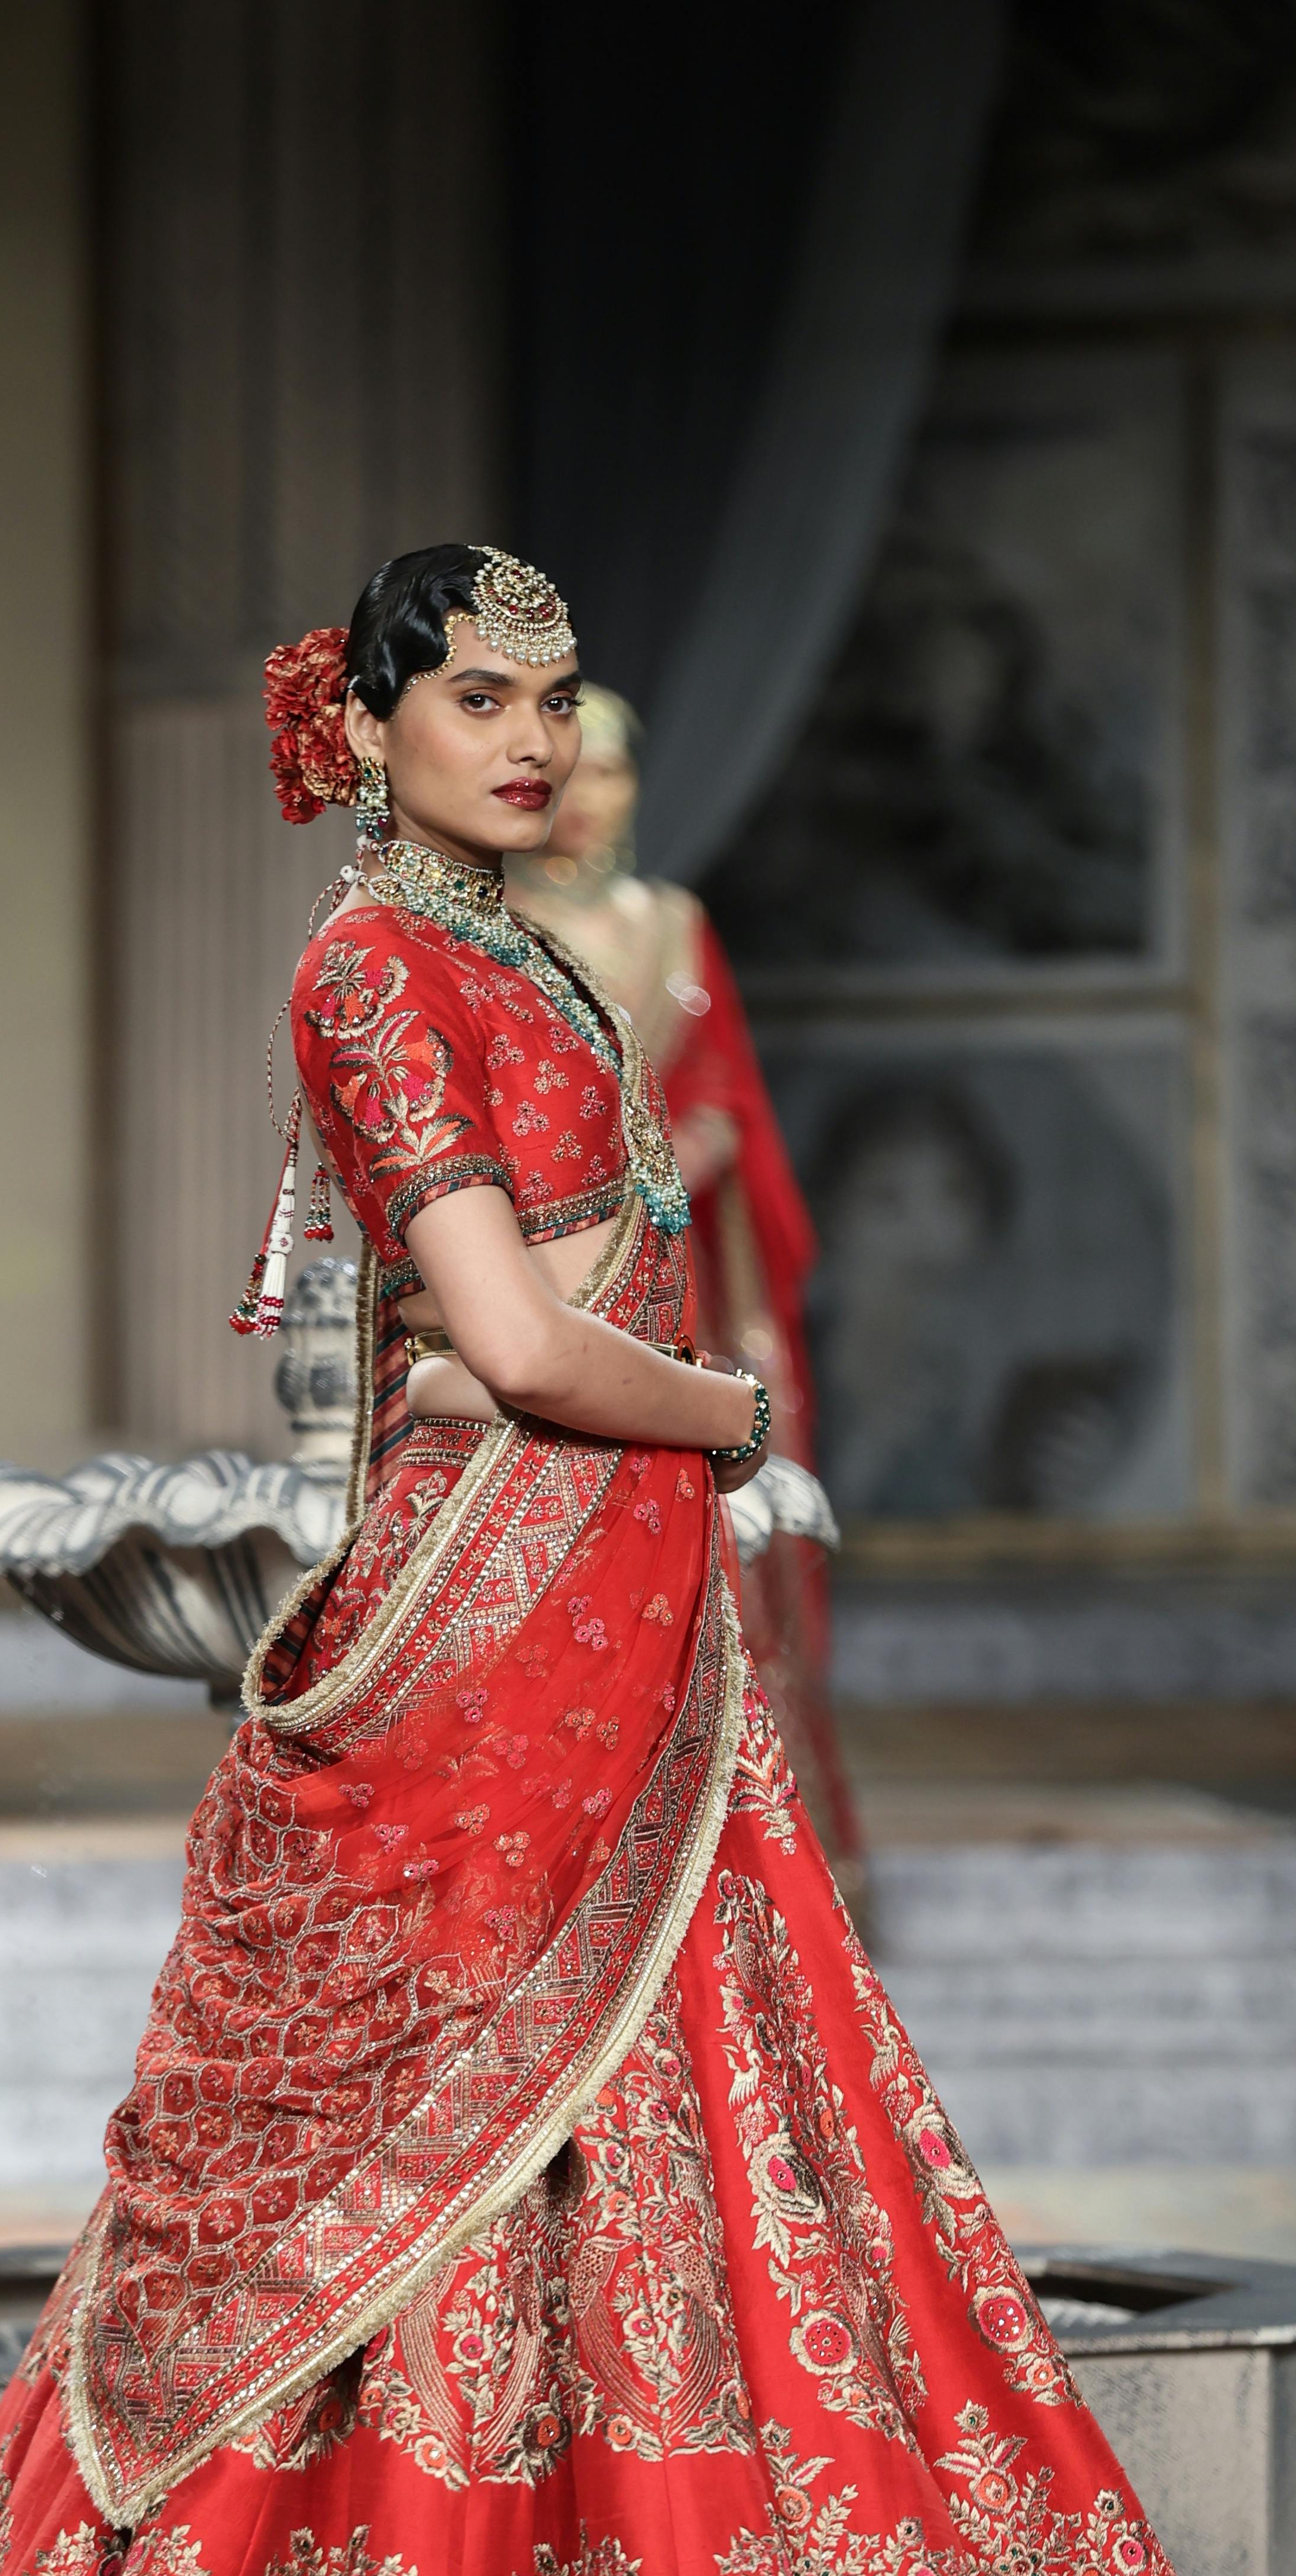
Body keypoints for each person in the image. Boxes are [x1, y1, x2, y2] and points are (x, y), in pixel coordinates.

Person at [0, 545, 1296, 2576]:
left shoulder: (523, 955)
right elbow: (516, 1334)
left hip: (603, 1624)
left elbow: (447, 1330)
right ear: (369, 728)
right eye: (478, 700)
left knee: (692, 2149)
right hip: (498, 1635)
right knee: (462, 2160)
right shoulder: (375, 963)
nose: (527, 740)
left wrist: (560, 1401)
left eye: (555, 701)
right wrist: (725, 1419)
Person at [511, 685, 863, 1892]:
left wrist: (658, 1173)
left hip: (672, 1276)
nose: (585, 795)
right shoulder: (483, 925)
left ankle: (734, 1838)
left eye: (609, 773)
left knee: (711, 1536)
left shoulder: (672, 924)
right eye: (565, 769)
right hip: (532, 1267)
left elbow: (723, 1104)